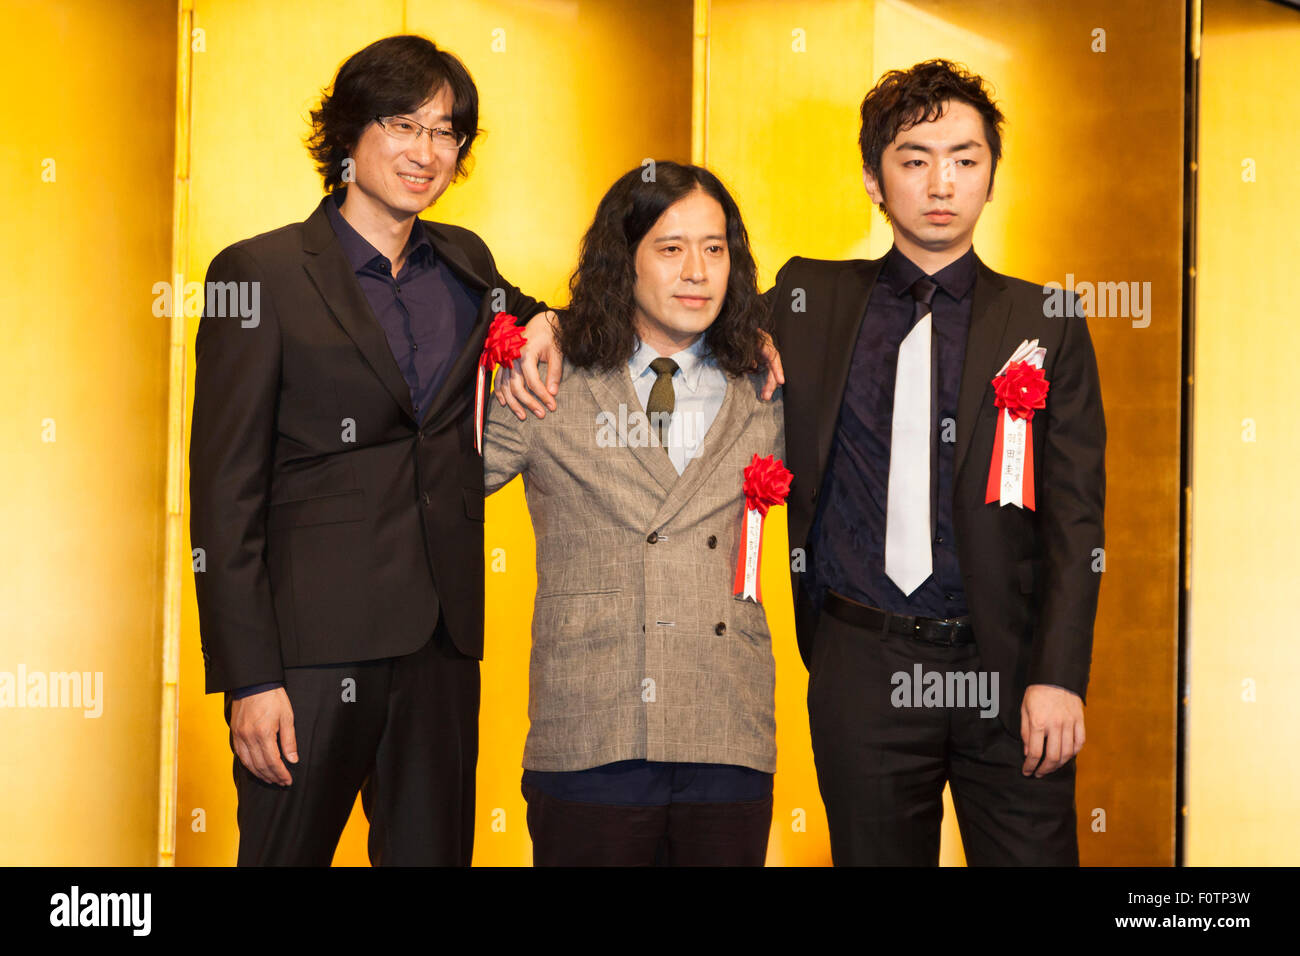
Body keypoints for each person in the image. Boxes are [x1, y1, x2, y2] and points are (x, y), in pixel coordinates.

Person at [499, 60, 1105, 866]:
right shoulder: (808, 299)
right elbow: (662, 298)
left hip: (1008, 665)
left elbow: (1074, 515)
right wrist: (547, 322)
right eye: (914, 159)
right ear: (872, 178)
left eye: (965, 159)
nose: (940, 183)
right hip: (862, 662)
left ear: (993, 176)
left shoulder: (1046, 317)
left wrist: (1060, 676)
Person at [189, 34, 553, 866]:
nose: (427, 152)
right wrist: (249, 678)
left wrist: (548, 320)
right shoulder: (261, 273)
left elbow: (538, 312)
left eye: (447, 131)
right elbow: (224, 493)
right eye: (403, 124)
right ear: (349, 133)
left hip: (440, 648)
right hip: (308, 654)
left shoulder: (465, 264)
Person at [483, 162, 786, 866]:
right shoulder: (548, 379)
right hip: (592, 726)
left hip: (726, 727)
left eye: (715, 249)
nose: (697, 271)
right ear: (627, 261)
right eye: (670, 247)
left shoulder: (764, 383)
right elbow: (436, 496)